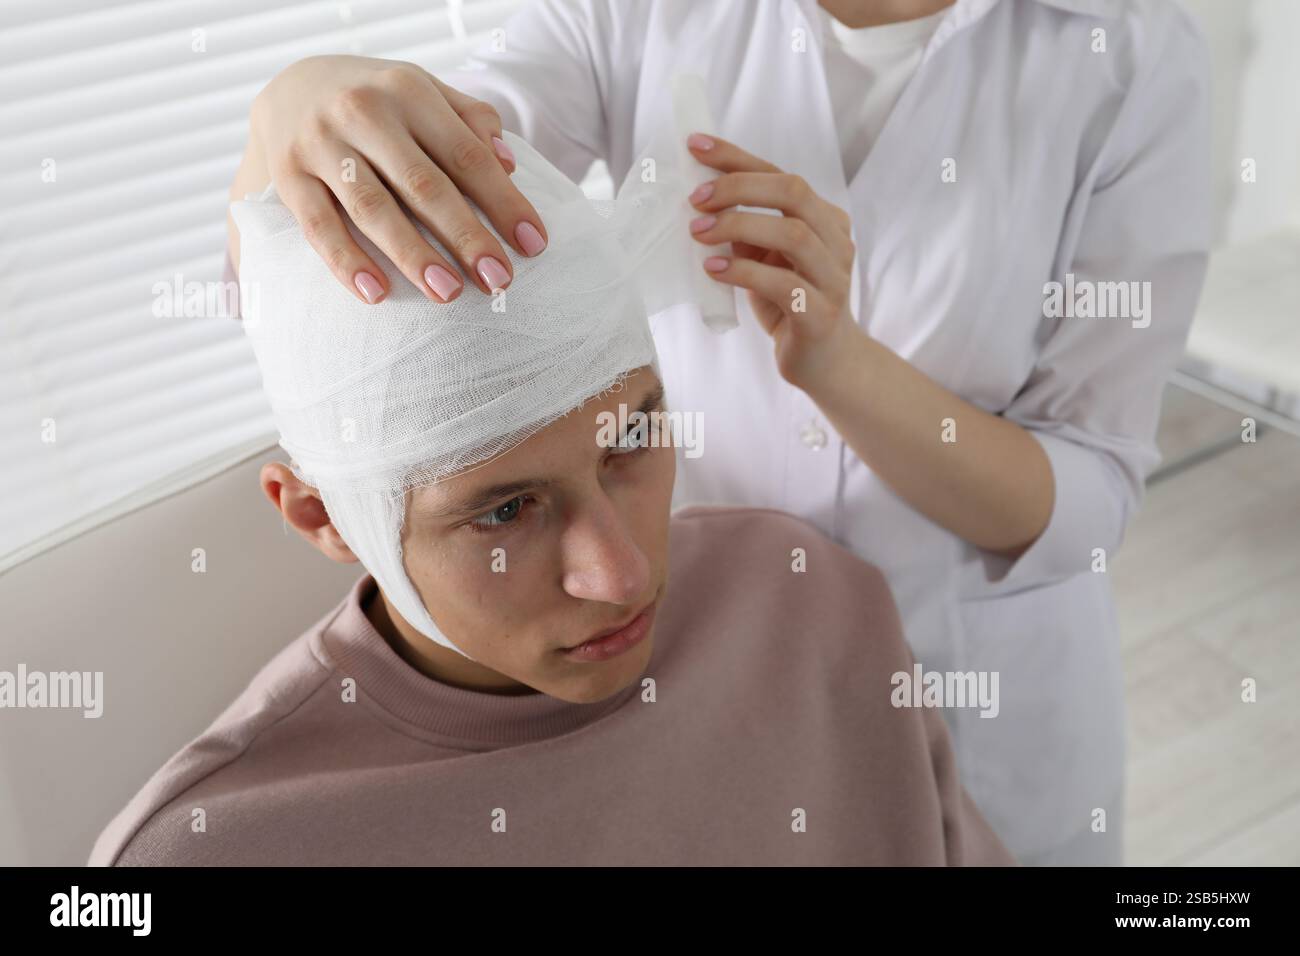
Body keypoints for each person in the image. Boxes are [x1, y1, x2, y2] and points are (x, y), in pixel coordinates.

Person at [223, 0, 1214, 863]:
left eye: (630, 439)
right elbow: (382, 249)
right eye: (504, 507)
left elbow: (1087, 498)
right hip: (708, 675)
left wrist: (839, 363)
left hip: (980, 679)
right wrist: (296, 115)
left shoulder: (1127, 52)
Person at [88, 130, 1015, 866]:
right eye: (504, 510)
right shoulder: (202, 854)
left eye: (633, 442)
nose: (621, 574)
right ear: (321, 515)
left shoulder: (809, 594)